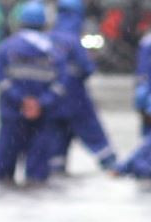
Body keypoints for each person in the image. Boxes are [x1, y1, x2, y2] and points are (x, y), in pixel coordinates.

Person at [0, 2, 67, 184]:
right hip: (43, 117)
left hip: (12, 116)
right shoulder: (54, 51)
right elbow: (61, 85)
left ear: (20, 22)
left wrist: (21, 101)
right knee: (37, 177)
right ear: (45, 23)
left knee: (1, 175)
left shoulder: (6, 47)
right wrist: (40, 103)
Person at [47, 0, 116, 173]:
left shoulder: (48, 38)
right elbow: (87, 68)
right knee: (97, 140)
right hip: (76, 100)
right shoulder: (74, 40)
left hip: (52, 101)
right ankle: (113, 168)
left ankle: (56, 176)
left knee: (56, 145)